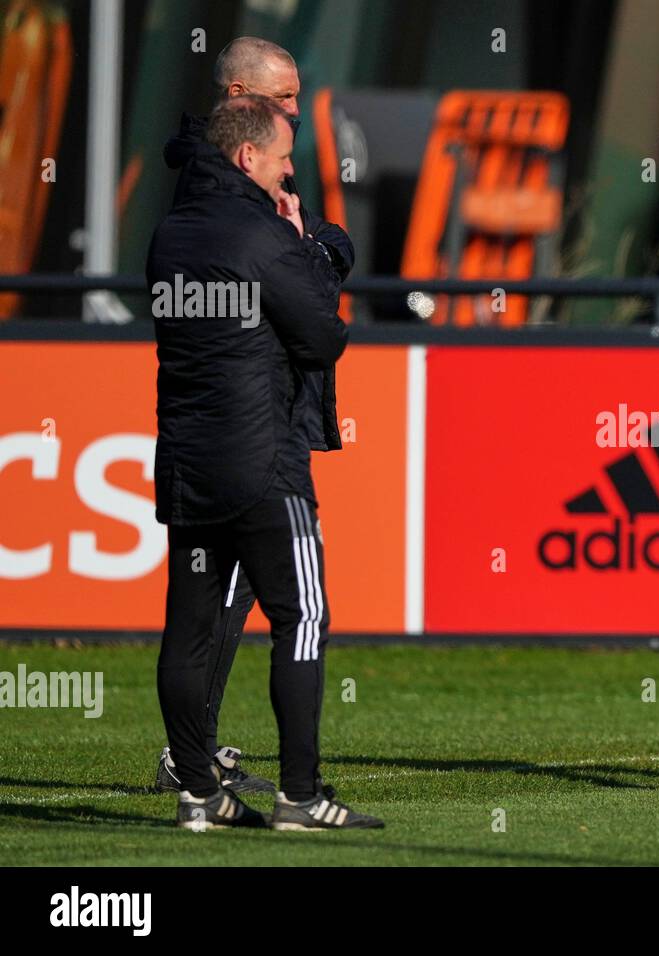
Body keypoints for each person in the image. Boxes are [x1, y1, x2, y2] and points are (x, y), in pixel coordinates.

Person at [148, 95, 380, 830]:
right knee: (301, 616)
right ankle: (301, 796)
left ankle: (196, 793)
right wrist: (307, 244)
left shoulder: (169, 233)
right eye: (283, 161)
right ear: (247, 156)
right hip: (264, 464)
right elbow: (322, 337)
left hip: (187, 461)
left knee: (188, 630)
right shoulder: (263, 234)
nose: (290, 176)